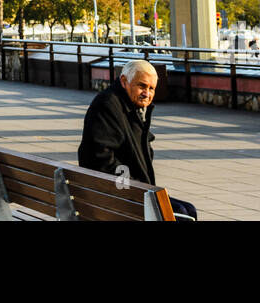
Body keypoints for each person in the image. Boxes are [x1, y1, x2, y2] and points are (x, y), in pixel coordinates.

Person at [78, 58, 196, 221]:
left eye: (151, 88)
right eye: (142, 86)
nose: (147, 93)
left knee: (187, 209)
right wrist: (132, 187)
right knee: (181, 213)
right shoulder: (108, 105)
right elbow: (100, 159)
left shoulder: (129, 106)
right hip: (116, 195)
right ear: (124, 81)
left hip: (121, 192)